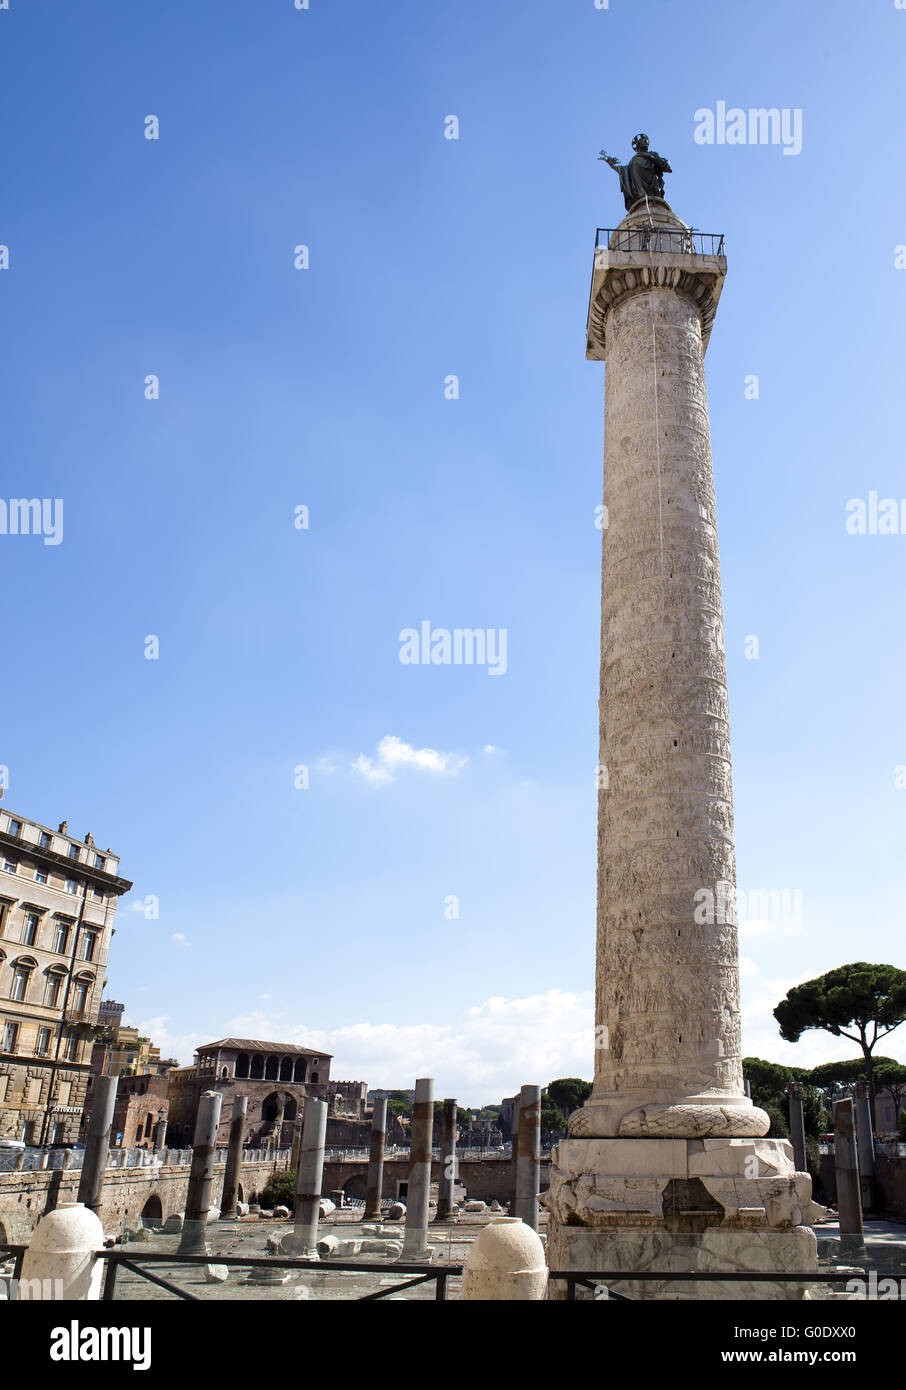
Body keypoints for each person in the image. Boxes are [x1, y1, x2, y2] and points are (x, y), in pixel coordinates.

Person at [599, 133, 672, 211]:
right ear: (638, 145)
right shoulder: (634, 161)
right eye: (644, 141)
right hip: (640, 190)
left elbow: (665, 167)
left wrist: (662, 162)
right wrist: (611, 164)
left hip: (654, 184)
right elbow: (624, 173)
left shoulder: (653, 155)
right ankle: (642, 198)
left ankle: (653, 201)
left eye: (647, 141)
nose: (646, 143)